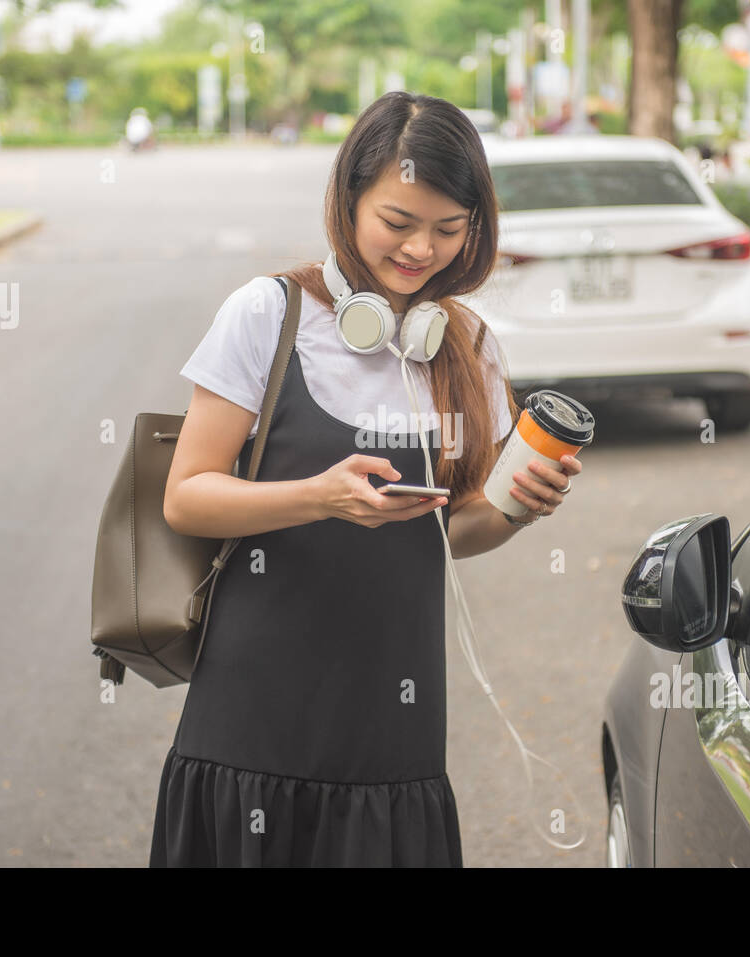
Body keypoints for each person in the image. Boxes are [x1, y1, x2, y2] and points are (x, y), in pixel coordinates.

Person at [149, 91, 586, 867]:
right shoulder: (267, 315)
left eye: (450, 230)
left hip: (394, 724)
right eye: (399, 222)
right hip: (254, 712)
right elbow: (187, 497)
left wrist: (519, 508)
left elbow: (454, 529)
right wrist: (319, 496)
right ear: (348, 200)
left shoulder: (467, 345)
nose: (423, 249)